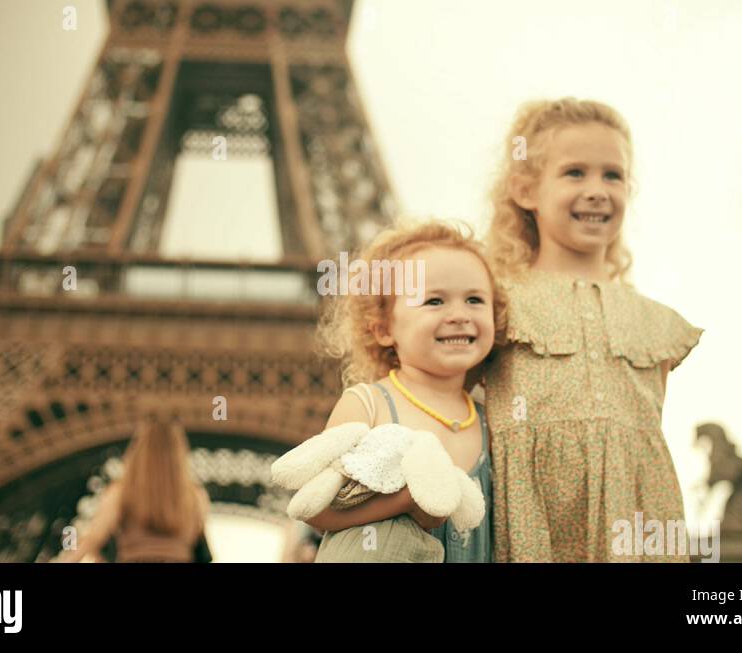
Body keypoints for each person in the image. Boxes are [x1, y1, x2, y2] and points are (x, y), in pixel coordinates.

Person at [484, 98, 703, 562]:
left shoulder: (655, 324)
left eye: (613, 175)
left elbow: (642, 438)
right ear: (525, 190)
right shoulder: (495, 303)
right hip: (529, 529)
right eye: (574, 173)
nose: (597, 189)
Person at [301, 220, 507, 562]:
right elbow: (315, 508)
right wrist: (406, 501)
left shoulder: (490, 420)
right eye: (434, 301)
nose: (459, 314)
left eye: (474, 299)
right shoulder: (368, 406)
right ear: (383, 328)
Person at [55, 418, 212, 563]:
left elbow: (93, 539)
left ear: (140, 449)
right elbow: (199, 547)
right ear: (179, 452)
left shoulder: (121, 492)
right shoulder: (195, 495)